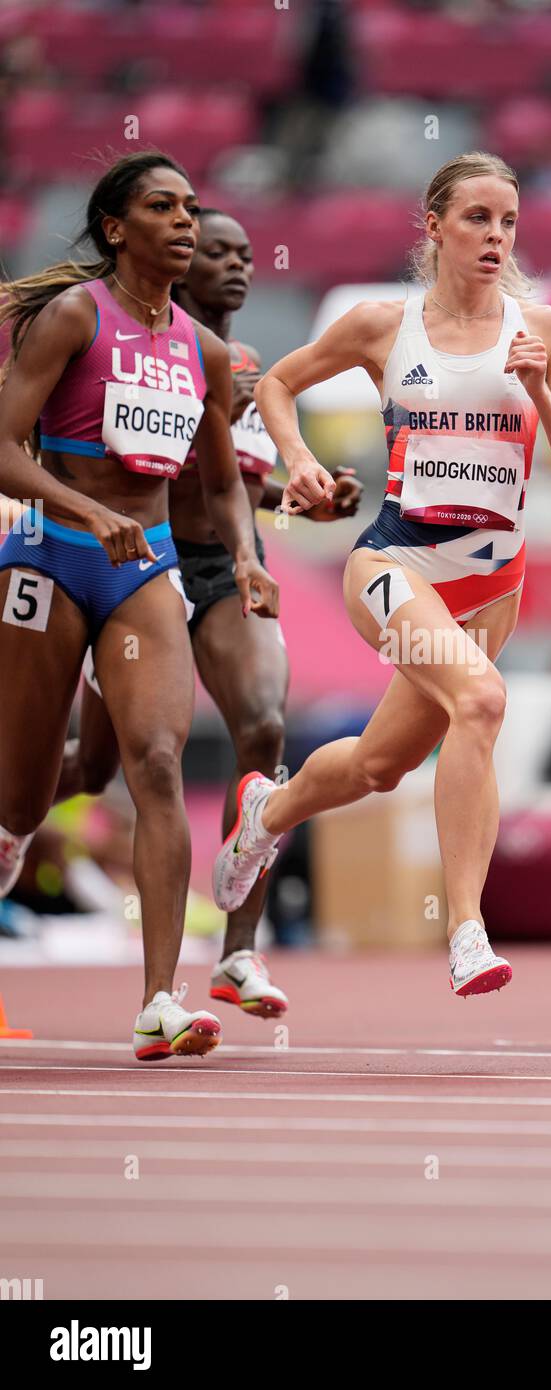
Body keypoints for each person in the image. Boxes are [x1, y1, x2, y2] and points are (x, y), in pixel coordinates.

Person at [210, 150, 551, 997]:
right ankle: (467, 929)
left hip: (493, 584)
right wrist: (299, 461)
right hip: (392, 560)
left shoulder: (548, 333)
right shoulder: (383, 326)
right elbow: (277, 384)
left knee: (379, 766)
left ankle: (264, 815)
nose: (496, 236)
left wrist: (539, 392)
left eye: (508, 221)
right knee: (483, 701)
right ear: (433, 227)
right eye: (476, 218)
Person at [0, 151, 279, 1059]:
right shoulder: (73, 316)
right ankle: (10, 832)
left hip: (144, 569)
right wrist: (84, 510)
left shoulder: (204, 351)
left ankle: (161, 999)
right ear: (117, 229)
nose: (186, 221)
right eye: (162, 206)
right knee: (27, 790)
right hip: (50, 555)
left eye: (191, 206)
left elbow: (225, 481)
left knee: (156, 762)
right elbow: (4, 449)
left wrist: (242, 557)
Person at [53, 207, 363, 1021]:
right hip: (134, 564)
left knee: (263, 726)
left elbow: (247, 483)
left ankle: (237, 952)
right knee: (93, 769)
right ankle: (17, 813)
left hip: (225, 568)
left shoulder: (256, 371)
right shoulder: (141, 344)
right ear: (176, 264)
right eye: (215, 251)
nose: (236, 266)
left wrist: (316, 506)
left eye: (246, 254)